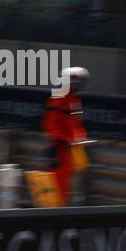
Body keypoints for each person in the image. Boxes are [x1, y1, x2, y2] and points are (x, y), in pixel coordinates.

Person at [42, 66, 90, 206]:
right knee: (57, 186)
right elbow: (50, 126)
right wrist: (68, 139)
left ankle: (63, 214)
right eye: (76, 81)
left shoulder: (74, 100)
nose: (79, 84)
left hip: (70, 150)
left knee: (68, 186)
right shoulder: (58, 99)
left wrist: (81, 137)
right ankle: (54, 216)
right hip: (58, 149)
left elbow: (76, 125)